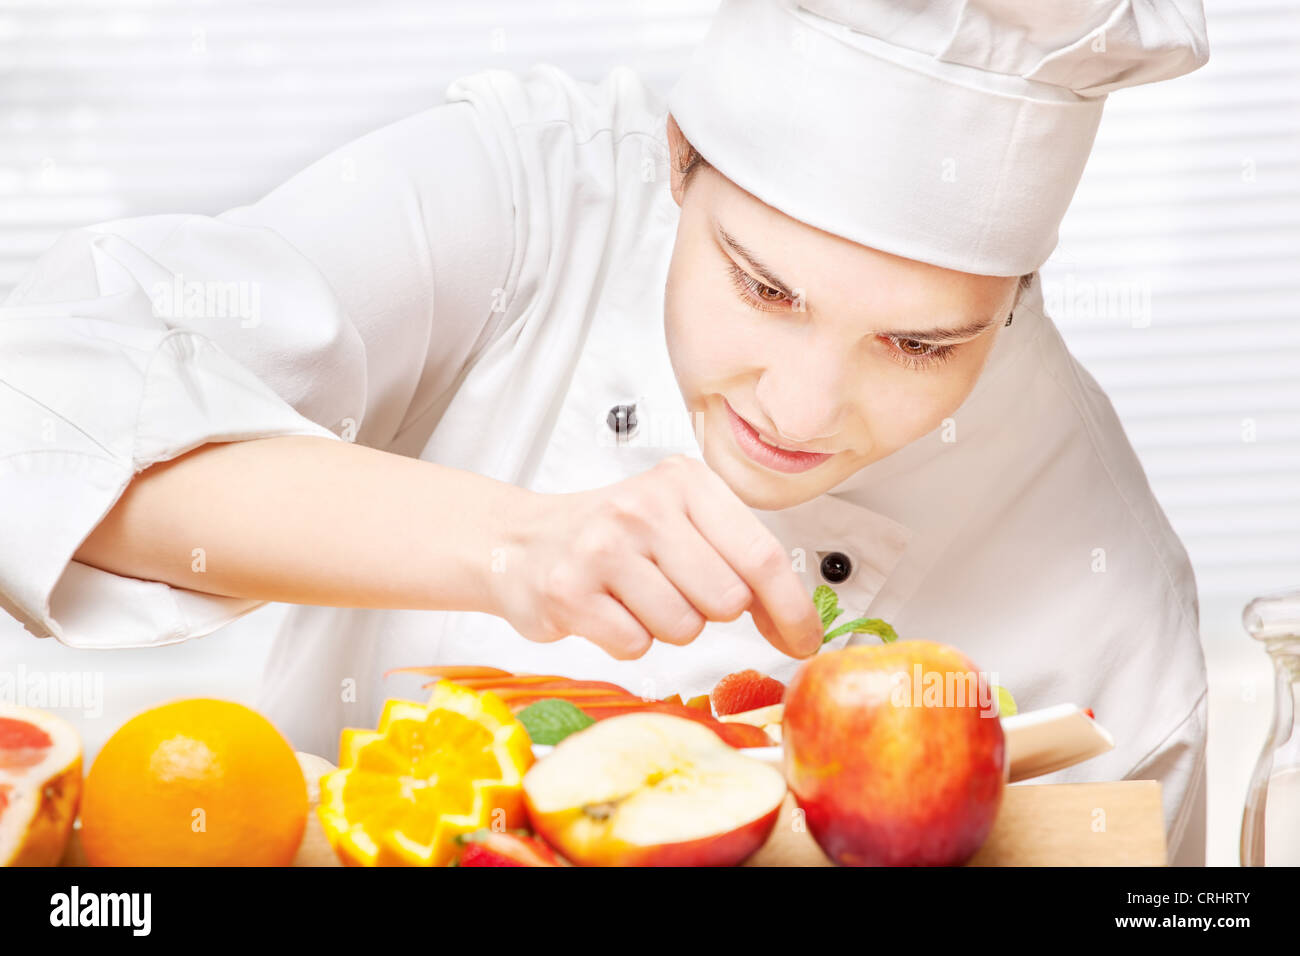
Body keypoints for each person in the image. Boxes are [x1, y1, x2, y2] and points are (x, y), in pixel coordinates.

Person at [0, 0, 1211, 863]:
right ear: (678, 159)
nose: (795, 409)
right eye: (761, 287)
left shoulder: (1108, 597)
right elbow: (35, 406)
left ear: (1016, 300)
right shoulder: (530, 203)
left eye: (921, 345)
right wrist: (505, 543)